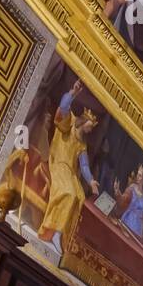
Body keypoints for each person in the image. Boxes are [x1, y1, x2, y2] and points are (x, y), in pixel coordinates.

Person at [38, 82, 100, 248]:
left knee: (79, 197)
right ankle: (54, 231)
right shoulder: (69, 122)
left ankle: (62, 236)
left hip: (70, 172)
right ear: (84, 121)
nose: (90, 130)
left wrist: (91, 181)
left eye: (91, 128)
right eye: (89, 126)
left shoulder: (82, 144)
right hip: (58, 162)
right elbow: (63, 108)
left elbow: (84, 166)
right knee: (69, 193)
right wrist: (73, 93)